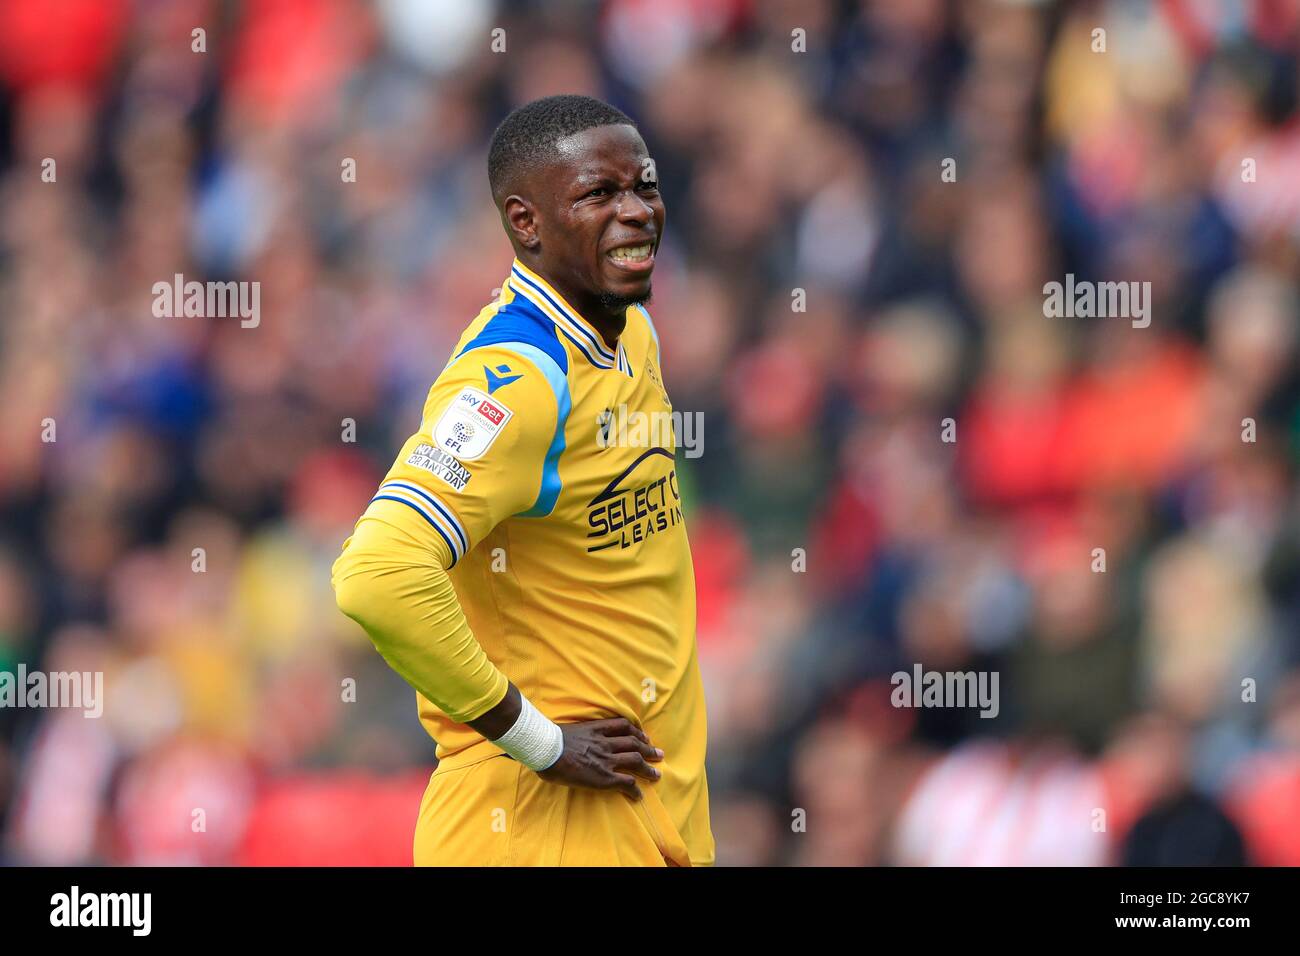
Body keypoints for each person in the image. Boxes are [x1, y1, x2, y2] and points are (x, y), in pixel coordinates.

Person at [332, 94, 713, 866]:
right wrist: (538, 741)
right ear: (525, 222)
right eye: (598, 195)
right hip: (534, 823)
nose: (636, 211)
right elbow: (377, 574)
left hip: (647, 812)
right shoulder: (516, 380)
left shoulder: (630, 329)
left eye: (645, 186)